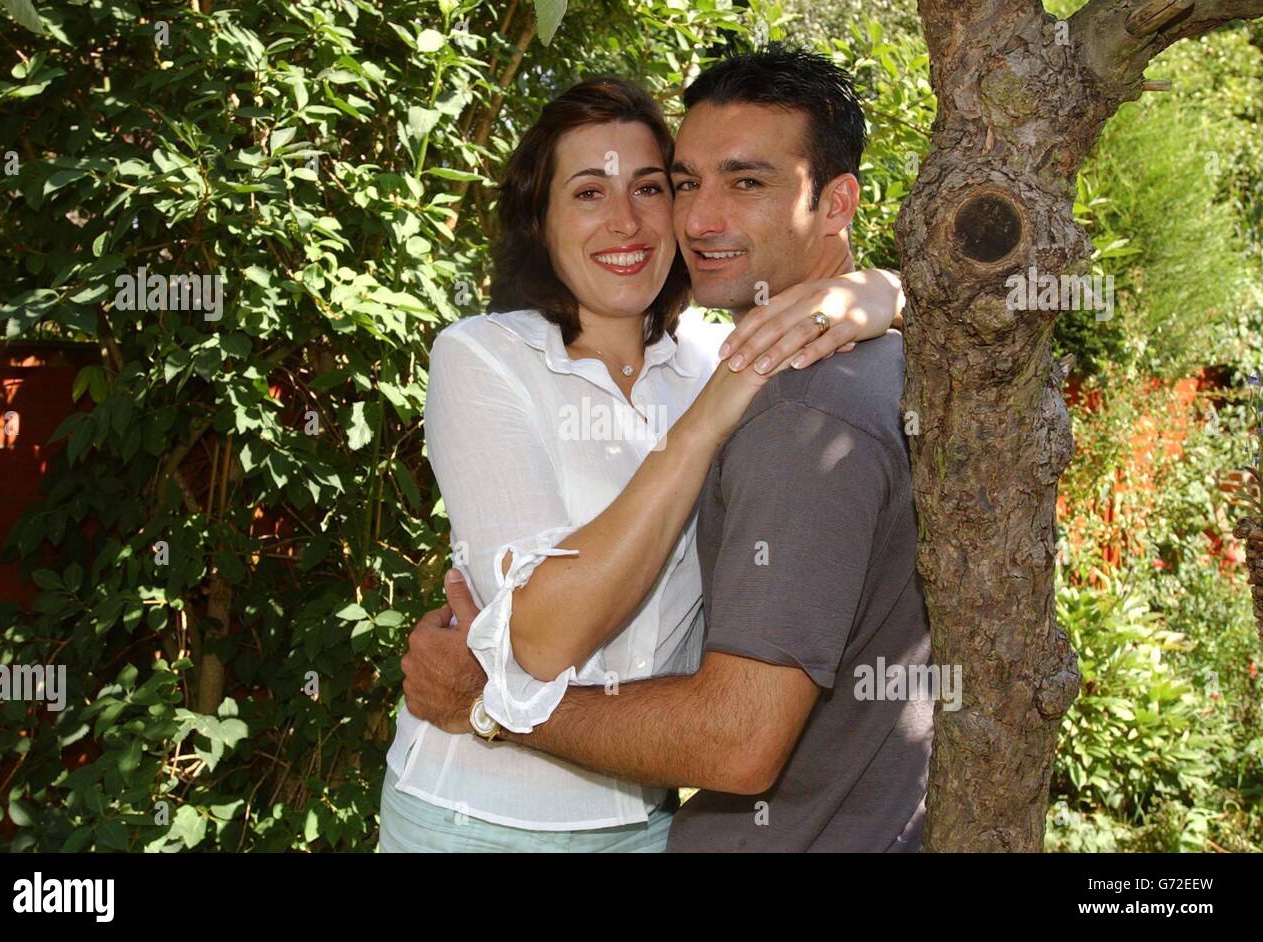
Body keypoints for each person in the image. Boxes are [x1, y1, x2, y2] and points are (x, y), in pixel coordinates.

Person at [384, 56, 911, 853]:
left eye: (652, 188)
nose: (628, 223)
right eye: (589, 193)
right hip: (475, 818)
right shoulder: (486, 357)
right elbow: (544, 640)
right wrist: (703, 423)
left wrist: (885, 289)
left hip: (643, 824)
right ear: (542, 217)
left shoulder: (716, 355)